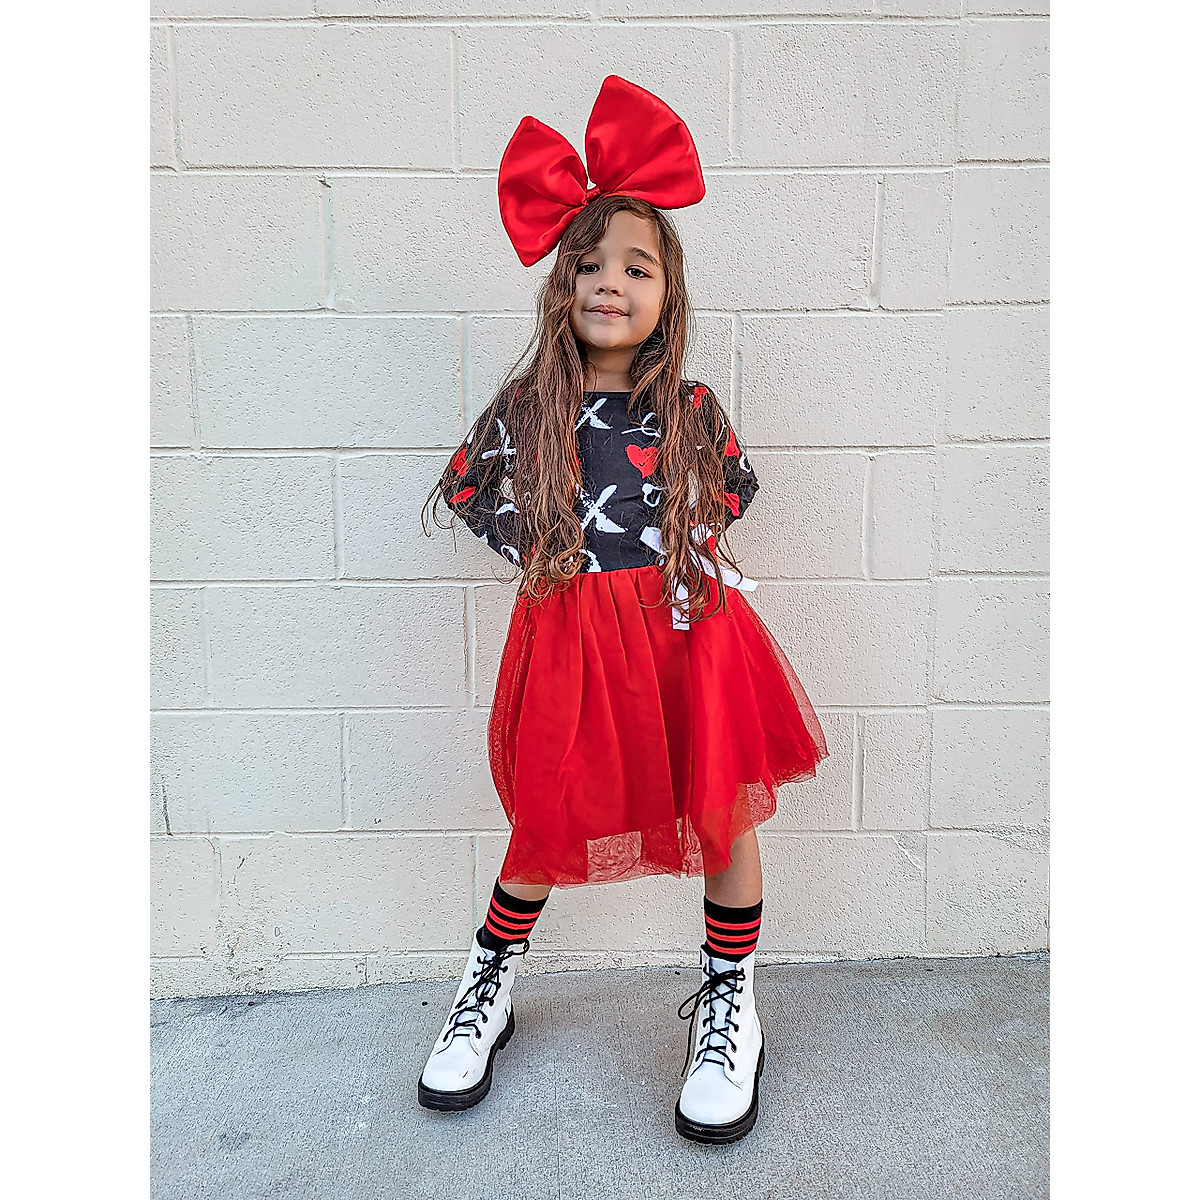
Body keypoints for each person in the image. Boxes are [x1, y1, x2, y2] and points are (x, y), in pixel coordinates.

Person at [417, 76, 829, 1145]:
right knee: (546, 816)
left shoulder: (688, 407)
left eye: (637, 267)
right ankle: (489, 981)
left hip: (691, 640)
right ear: (561, 286)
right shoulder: (529, 407)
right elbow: (464, 488)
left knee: (721, 807)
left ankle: (731, 1003)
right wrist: (544, 550)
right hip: (573, 641)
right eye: (590, 264)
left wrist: (686, 537)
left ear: (666, 297)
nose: (611, 282)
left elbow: (736, 483)